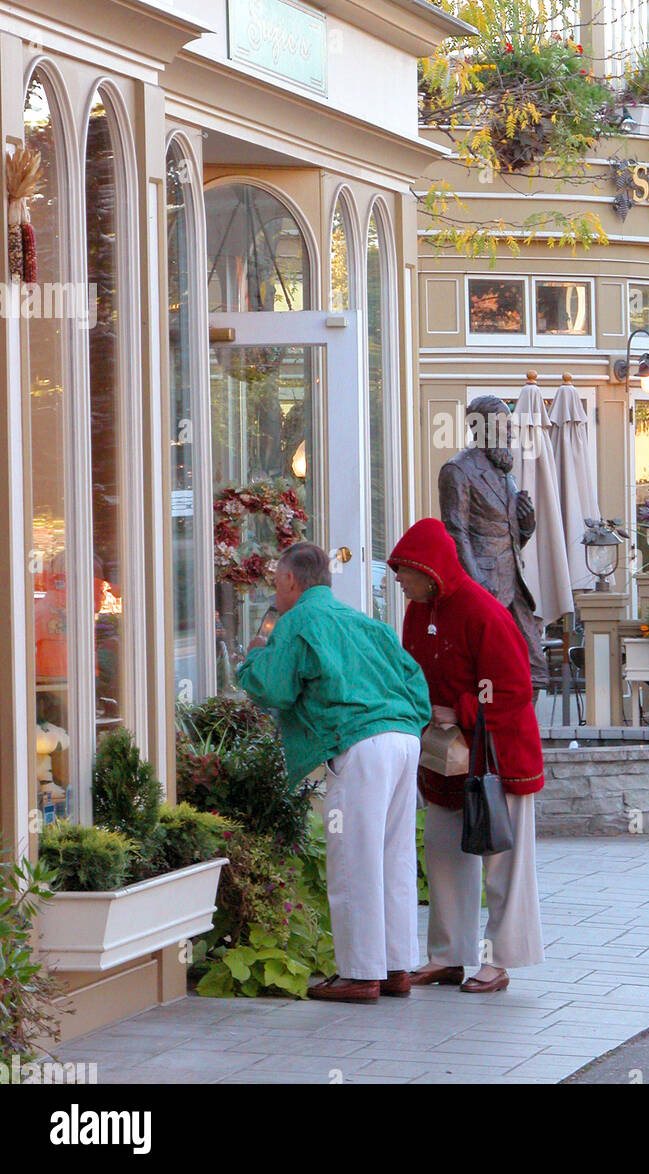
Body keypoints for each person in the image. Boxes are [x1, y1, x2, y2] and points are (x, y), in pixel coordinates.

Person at [237, 541, 430, 1004]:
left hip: (358, 743)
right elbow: (415, 684)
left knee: (354, 859)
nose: (276, 593)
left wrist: (254, 659)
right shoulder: (366, 622)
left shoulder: (298, 621)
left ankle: (361, 974)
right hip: (404, 738)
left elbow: (275, 689)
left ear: (290, 581)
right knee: (395, 857)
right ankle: (396, 967)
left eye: (276, 584)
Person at [387, 518, 545, 994]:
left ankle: (499, 961)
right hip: (447, 759)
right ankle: (448, 955)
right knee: (442, 855)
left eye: (404, 571)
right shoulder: (417, 612)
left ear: (428, 570)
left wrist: (458, 709)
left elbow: (515, 690)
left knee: (502, 864)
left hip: (499, 760)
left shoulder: (484, 613)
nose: (398, 579)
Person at [438, 393, 547, 690]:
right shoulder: (458, 470)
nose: (511, 430)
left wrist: (527, 523)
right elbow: (456, 533)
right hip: (485, 583)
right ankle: (490, 719)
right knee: (487, 668)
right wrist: (478, 586)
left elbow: (509, 534)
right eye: (504, 423)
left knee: (534, 668)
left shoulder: (504, 472)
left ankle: (520, 719)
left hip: (513, 582)